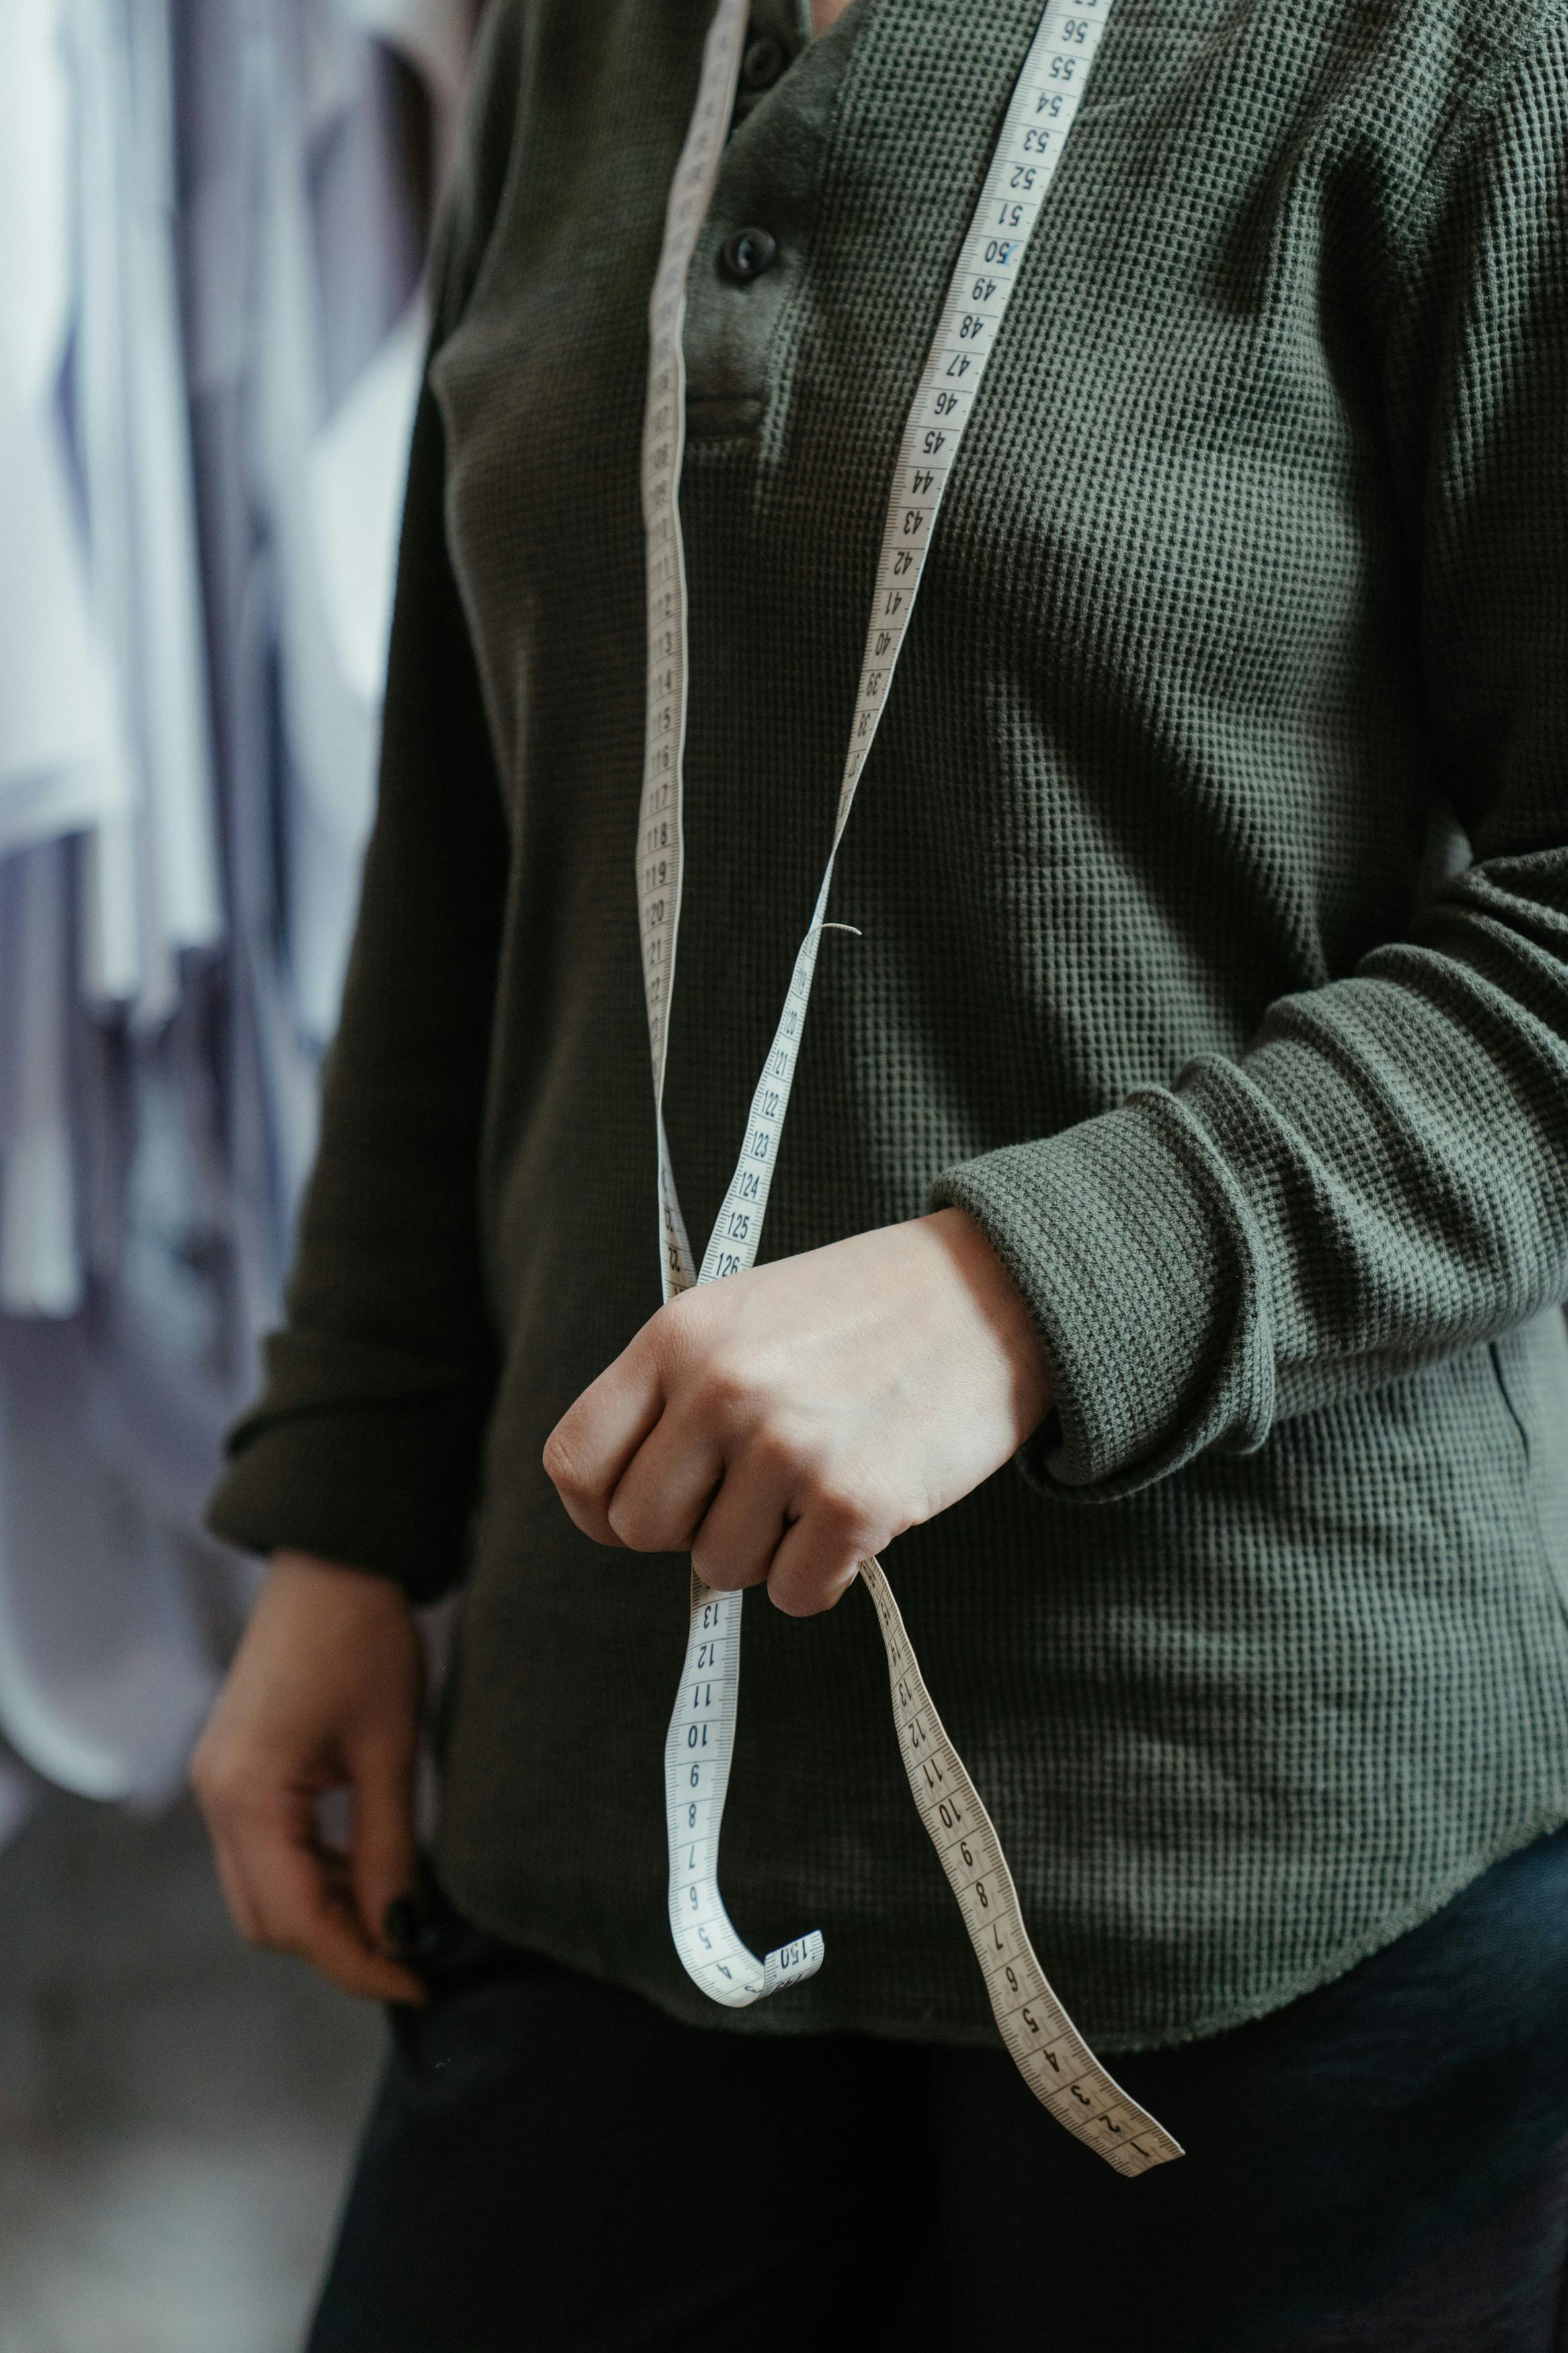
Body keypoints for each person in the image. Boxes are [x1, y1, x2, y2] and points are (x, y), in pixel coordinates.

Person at [194, 0, 1568, 2342]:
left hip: (1262, 1867)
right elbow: (470, 839)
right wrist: (347, 1512)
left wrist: (1026, 1289)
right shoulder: (575, 45)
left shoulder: (1463, 53)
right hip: (598, 1773)